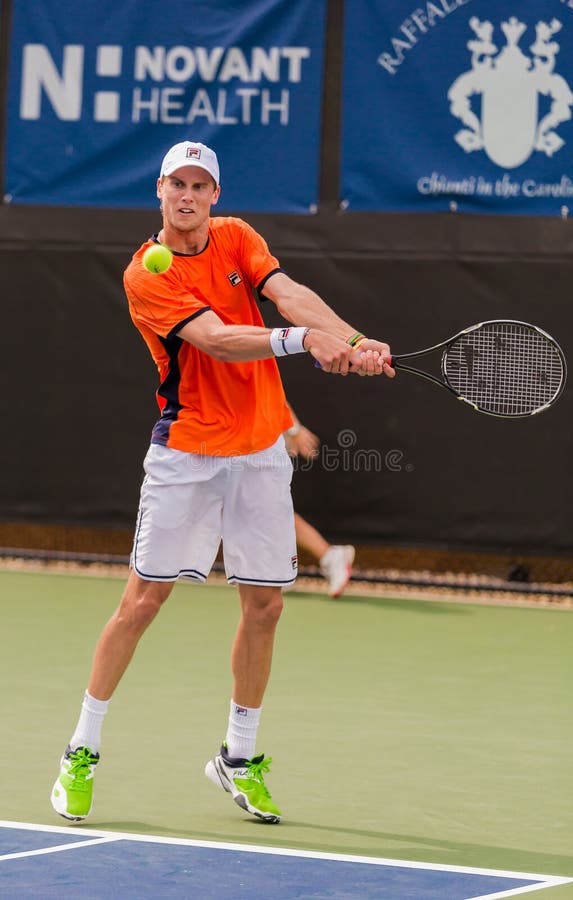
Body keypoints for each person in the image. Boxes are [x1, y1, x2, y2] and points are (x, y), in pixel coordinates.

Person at [50, 140, 394, 827]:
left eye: (199, 185)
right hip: (188, 454)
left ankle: (238, 759)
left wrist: (353, 340)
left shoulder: (237, 238)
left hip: (260, 451)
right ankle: (81, 748)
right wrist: (304, 343)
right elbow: (216, 339)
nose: (187, 195)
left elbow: (288, 294)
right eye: (176, 183)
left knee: (265, 607)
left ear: (214, 195)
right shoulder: (145, 277)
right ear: (159, 191)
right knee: (141, 604)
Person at [284, 406, 355, 598]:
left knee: (268, 508)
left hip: (261, 433)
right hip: (239, 431)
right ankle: (278, 566)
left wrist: (294, 429)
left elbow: (269, 387)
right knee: (260, 509)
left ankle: (330, 556)